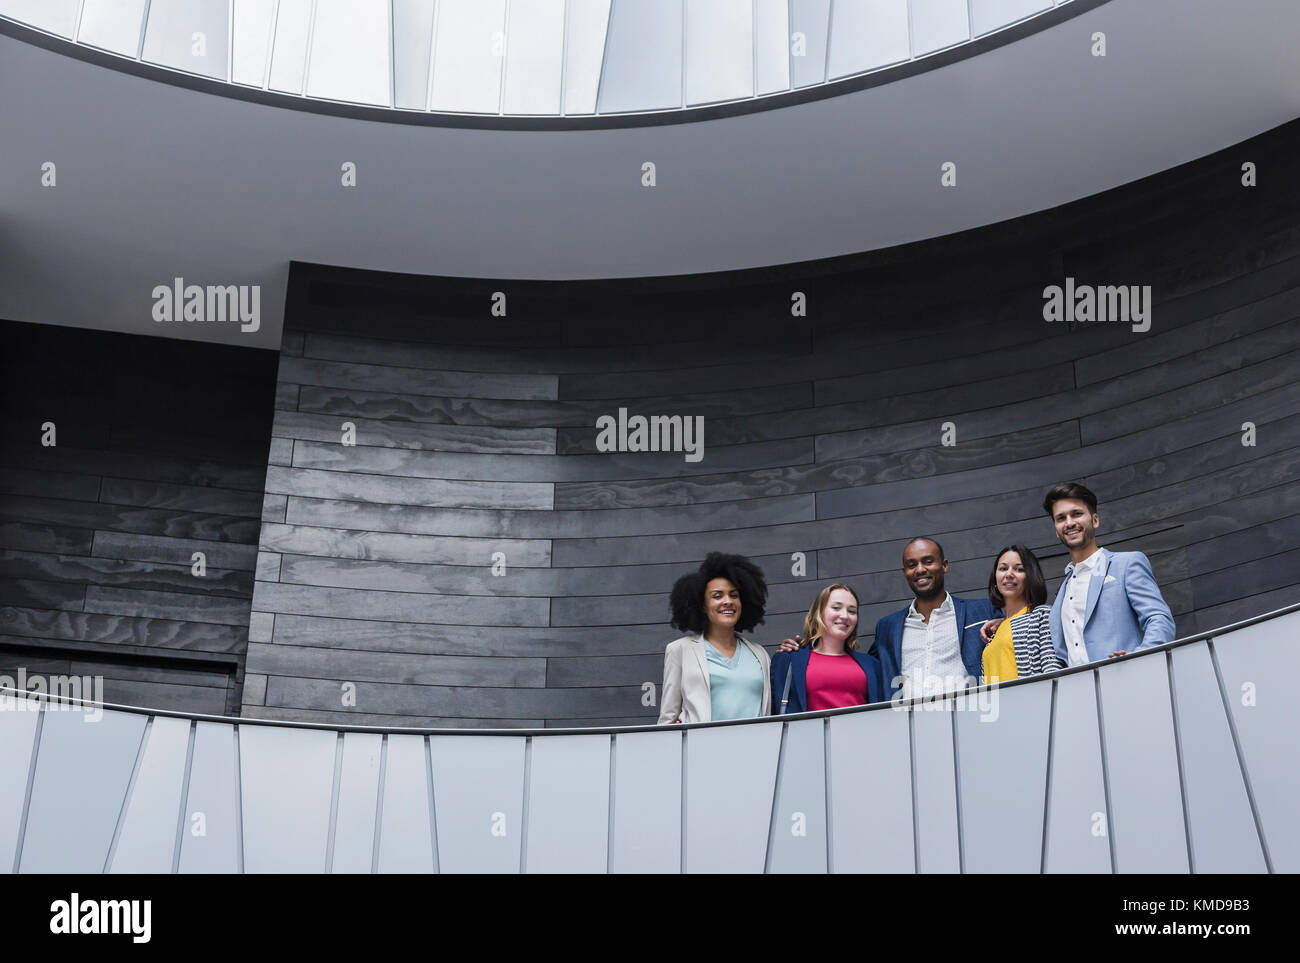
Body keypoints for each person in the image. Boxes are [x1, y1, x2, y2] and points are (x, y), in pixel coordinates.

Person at [1041, 481, 1175, 664]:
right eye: (1061, 518)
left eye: (1077, 514)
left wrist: (1138, 661)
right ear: (1057, 531)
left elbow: (1159, 619)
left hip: (1127, 676)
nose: (1069, 523)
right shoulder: (1063, 592)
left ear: (1095, 520)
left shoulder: (1126, 564)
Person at [873, 537, 1000, 699]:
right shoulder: (887, 628)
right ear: (905, 572)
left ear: (944, 565)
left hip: (970, 710)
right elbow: (868, 670)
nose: (920, 569)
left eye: (928, 561)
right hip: (906, 714)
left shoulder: (983, 611)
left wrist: (1005, 622)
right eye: (912, 565)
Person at [658, 552, 772, 724]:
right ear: (703, 606)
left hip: (758, 741)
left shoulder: (759, 654)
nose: (727, 601)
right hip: (703, 742)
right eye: (717, 596)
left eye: (734, 595)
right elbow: (668, 719)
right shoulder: (680, 650)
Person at [770, 584, 885, 713]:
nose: (845, 616)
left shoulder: (872, 665)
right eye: (836, 608)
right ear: (819, 612)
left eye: (852, 611)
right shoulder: (789, 660)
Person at [980, 545, 1062, 683]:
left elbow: (1053, 672)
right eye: (1003, 568)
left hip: (1032, 696)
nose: (1009, 574)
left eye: (1019, 569)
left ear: (1030, 577)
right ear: (995, 578)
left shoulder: (1041, 616)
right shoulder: (993, 633)